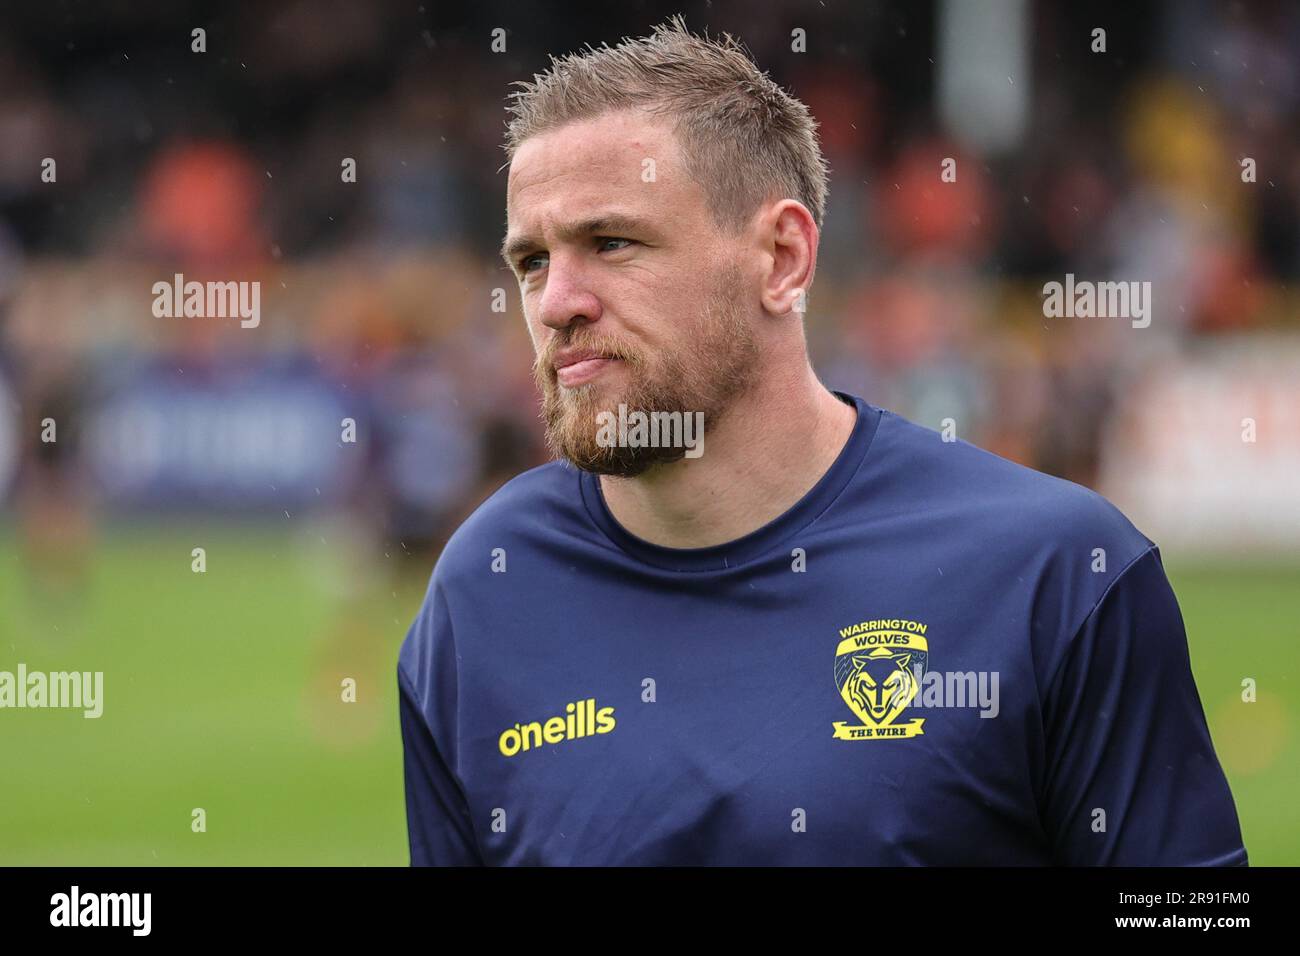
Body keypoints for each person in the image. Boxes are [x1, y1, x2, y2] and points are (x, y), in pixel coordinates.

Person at [397, 17, 1247, 865]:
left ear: (783, 258)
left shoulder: (1058, 571)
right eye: (533, 261)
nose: (555, 304)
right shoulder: (484, 593)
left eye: (611, 243)